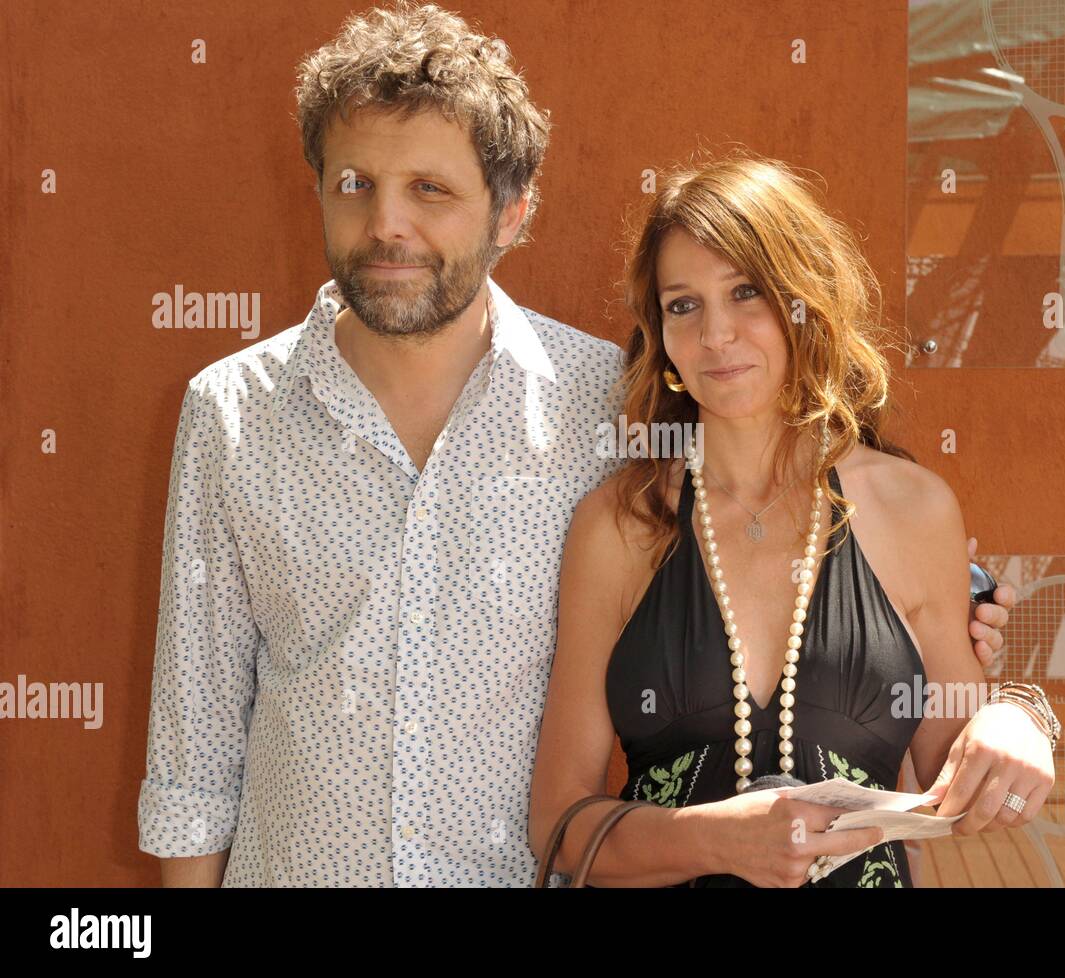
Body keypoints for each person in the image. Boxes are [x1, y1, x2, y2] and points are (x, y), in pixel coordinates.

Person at [137, 2, 1016, 888]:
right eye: (354, 183)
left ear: (513, 212)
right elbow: (193, 750)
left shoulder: (609, 408)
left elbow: (825, 565)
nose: (385, 225)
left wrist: (978, 639)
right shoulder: (230, 414)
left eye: (430, 189)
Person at [528, 153, 1055, 887]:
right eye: (683, 304)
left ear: (804, 301)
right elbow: (557, 826)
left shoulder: (914, 510)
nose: (716, 334)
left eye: (746, 293)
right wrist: (713, 842)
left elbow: (954, 780)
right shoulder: (619, 525)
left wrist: (1017, 723)